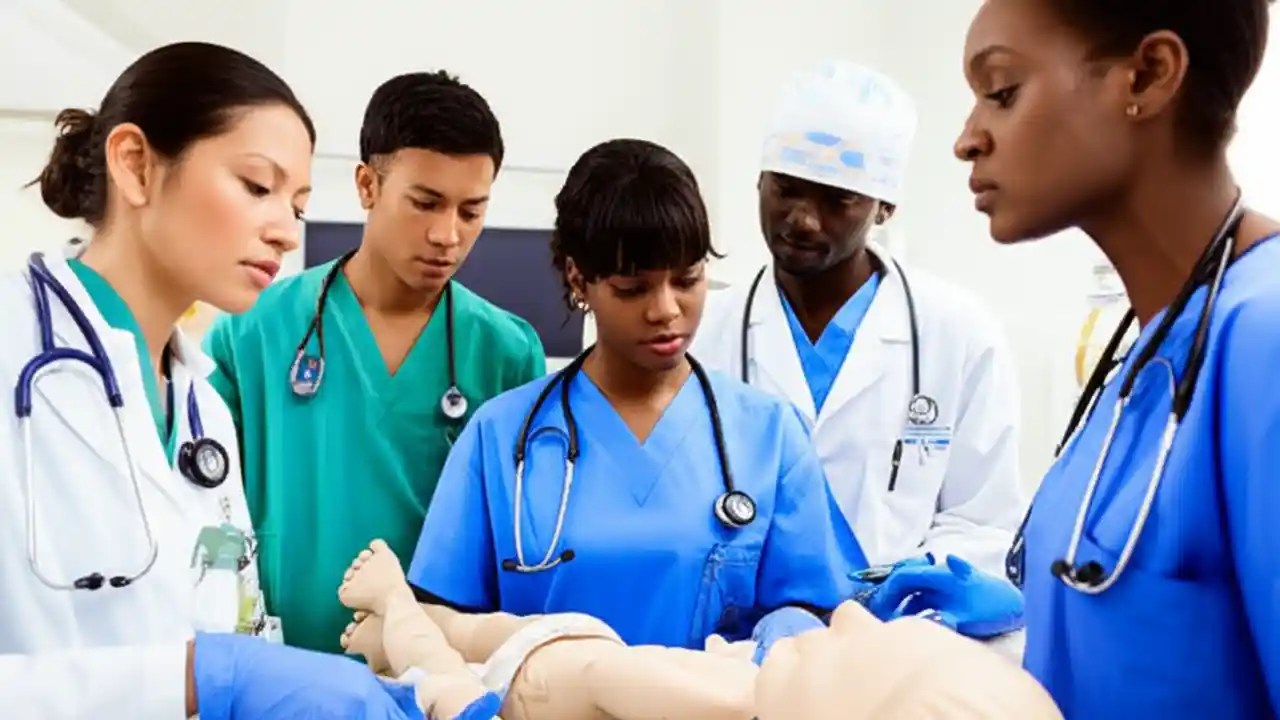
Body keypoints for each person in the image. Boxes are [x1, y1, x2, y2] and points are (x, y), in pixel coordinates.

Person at [0, 41, 421, 718]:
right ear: (136, 165)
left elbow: (228, 623)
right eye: (258, 186)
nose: (286, 232)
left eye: (299, 206)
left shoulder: (203, 410)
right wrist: (196, 678)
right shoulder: (11, 346)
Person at [407, 138, 867, 651]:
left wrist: (781, 639)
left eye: (687, 279)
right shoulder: (501, 437)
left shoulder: (767, 433)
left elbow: (818, 608)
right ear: (579, 277)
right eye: (633, 288)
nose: (666, 310)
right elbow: (436, 629)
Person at [955, 0, 1279, 716]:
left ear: (1149, 75)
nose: (967, 139)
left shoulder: (1264, 335)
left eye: (1002, 91)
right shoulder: (1148, 356)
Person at [203, 70, 546, 654]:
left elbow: (518, 542)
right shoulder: (254, 330)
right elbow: (206, 514)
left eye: (471, 211)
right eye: (426, 203)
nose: (448, 235)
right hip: (279, 670)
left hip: (434, 675)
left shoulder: (507, 354)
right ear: (367, 185)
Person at [692, 60, 1024, 578]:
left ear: (884, 206)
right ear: (759, 180)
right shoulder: (703, 332)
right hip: (737, 635)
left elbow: (985, 520)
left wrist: (904, 584)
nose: (803, 218)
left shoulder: (957, 333)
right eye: (786, 187)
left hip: (903, 632)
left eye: (838, 199)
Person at [334, 539, 1061, 720]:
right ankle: (408, 628)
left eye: (855, 643)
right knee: (476, 630)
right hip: (581, 652)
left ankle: (396, 611)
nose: (844, 614)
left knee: (444, 670)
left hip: (548, 689)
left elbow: (595, 677)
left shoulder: (729, 704)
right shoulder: (759, 689)